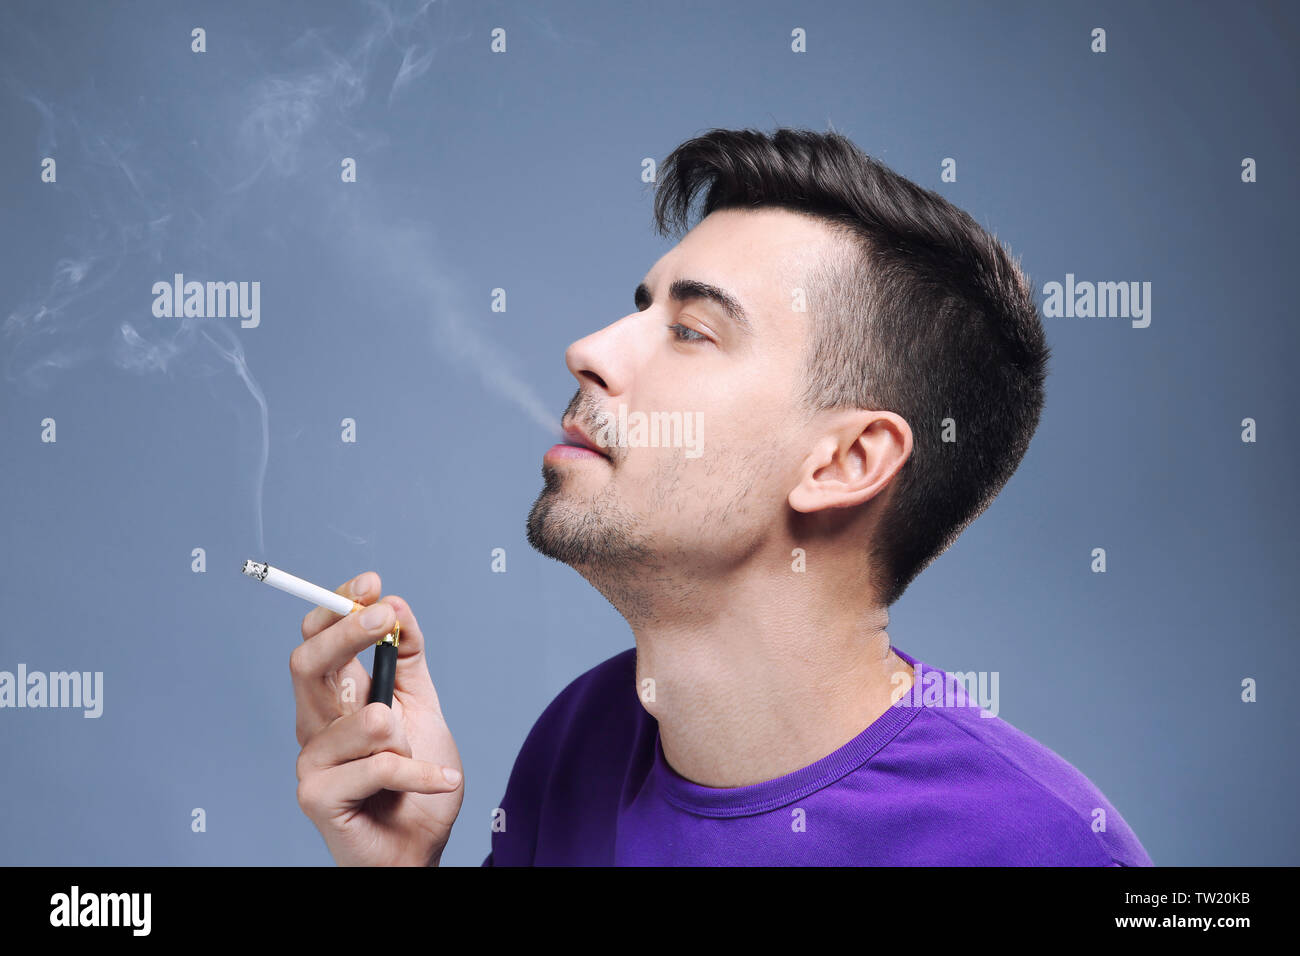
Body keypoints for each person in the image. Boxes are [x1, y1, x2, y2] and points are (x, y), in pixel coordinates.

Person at [291, 127, 1152, 866]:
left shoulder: (1041, 846)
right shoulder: (581, 743)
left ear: (847, 460)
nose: (587, 350)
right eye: (641, 307)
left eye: (692, 331)